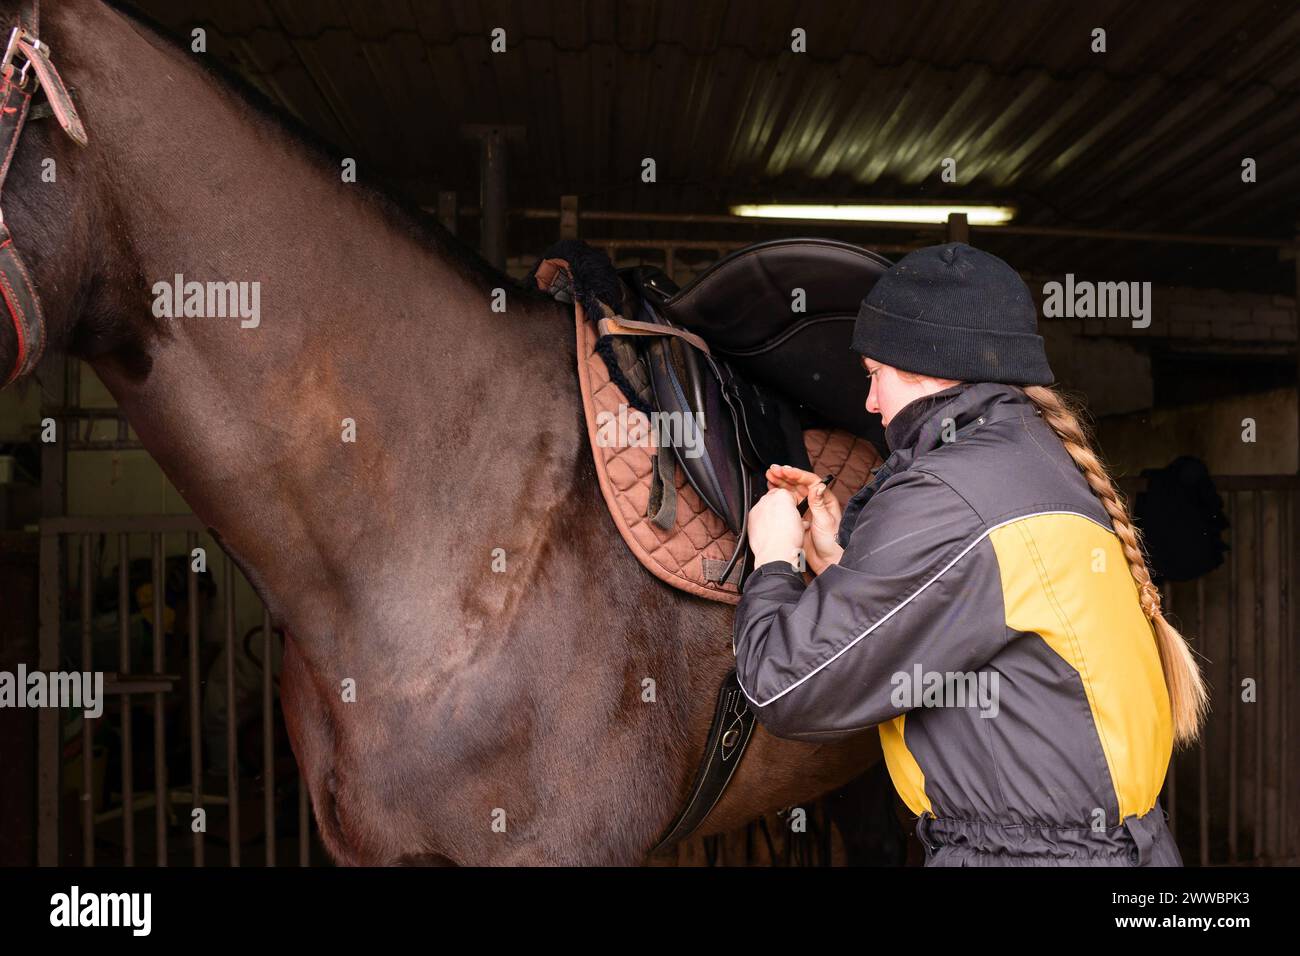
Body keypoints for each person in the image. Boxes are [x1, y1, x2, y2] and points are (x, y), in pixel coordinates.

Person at [733, 242, 1207, 866]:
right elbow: (967, 606)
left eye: (875, 373)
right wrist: (841, 563)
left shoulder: (949, 494)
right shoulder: (1030, 463)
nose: (870, 402)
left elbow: (786, 689)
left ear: (930, 367)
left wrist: (775, 559)